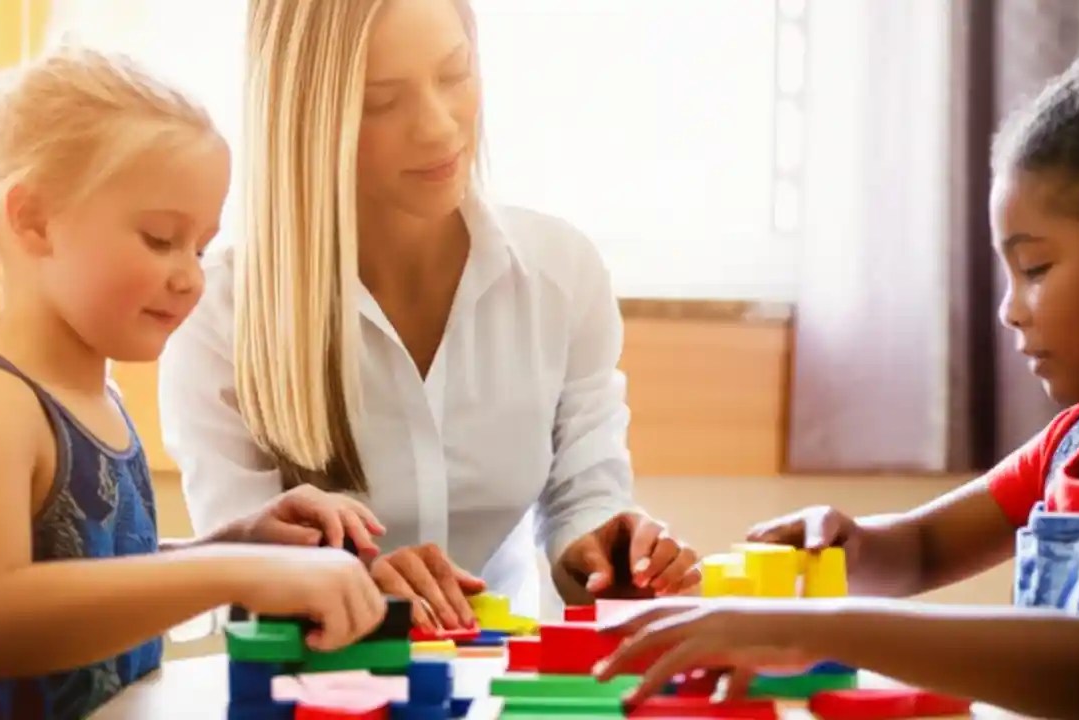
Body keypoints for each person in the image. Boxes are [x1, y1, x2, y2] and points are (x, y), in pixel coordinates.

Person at [595, 43, 1079, 719]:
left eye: (1035, 269)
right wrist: (849, 546)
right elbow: (920, 549)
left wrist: (802, 629)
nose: (1009, 307)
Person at [157, 0, 700, 628]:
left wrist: (605, 555)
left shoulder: (561, 273)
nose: (440, 128)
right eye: (384, 101)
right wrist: (351, 585)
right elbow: (238, 574)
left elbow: (585, 494)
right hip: (317, 686)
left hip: (495, 678)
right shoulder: (221, 314)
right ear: (307, 118)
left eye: (454, 74)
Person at [0, 46, 394, 720]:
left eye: (200, 247)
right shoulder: (2, 405)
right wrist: (236, 573)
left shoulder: (97, 400)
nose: (190, 276)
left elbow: (86, 579)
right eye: (159, 238)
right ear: (33, 219)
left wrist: (235, 544)